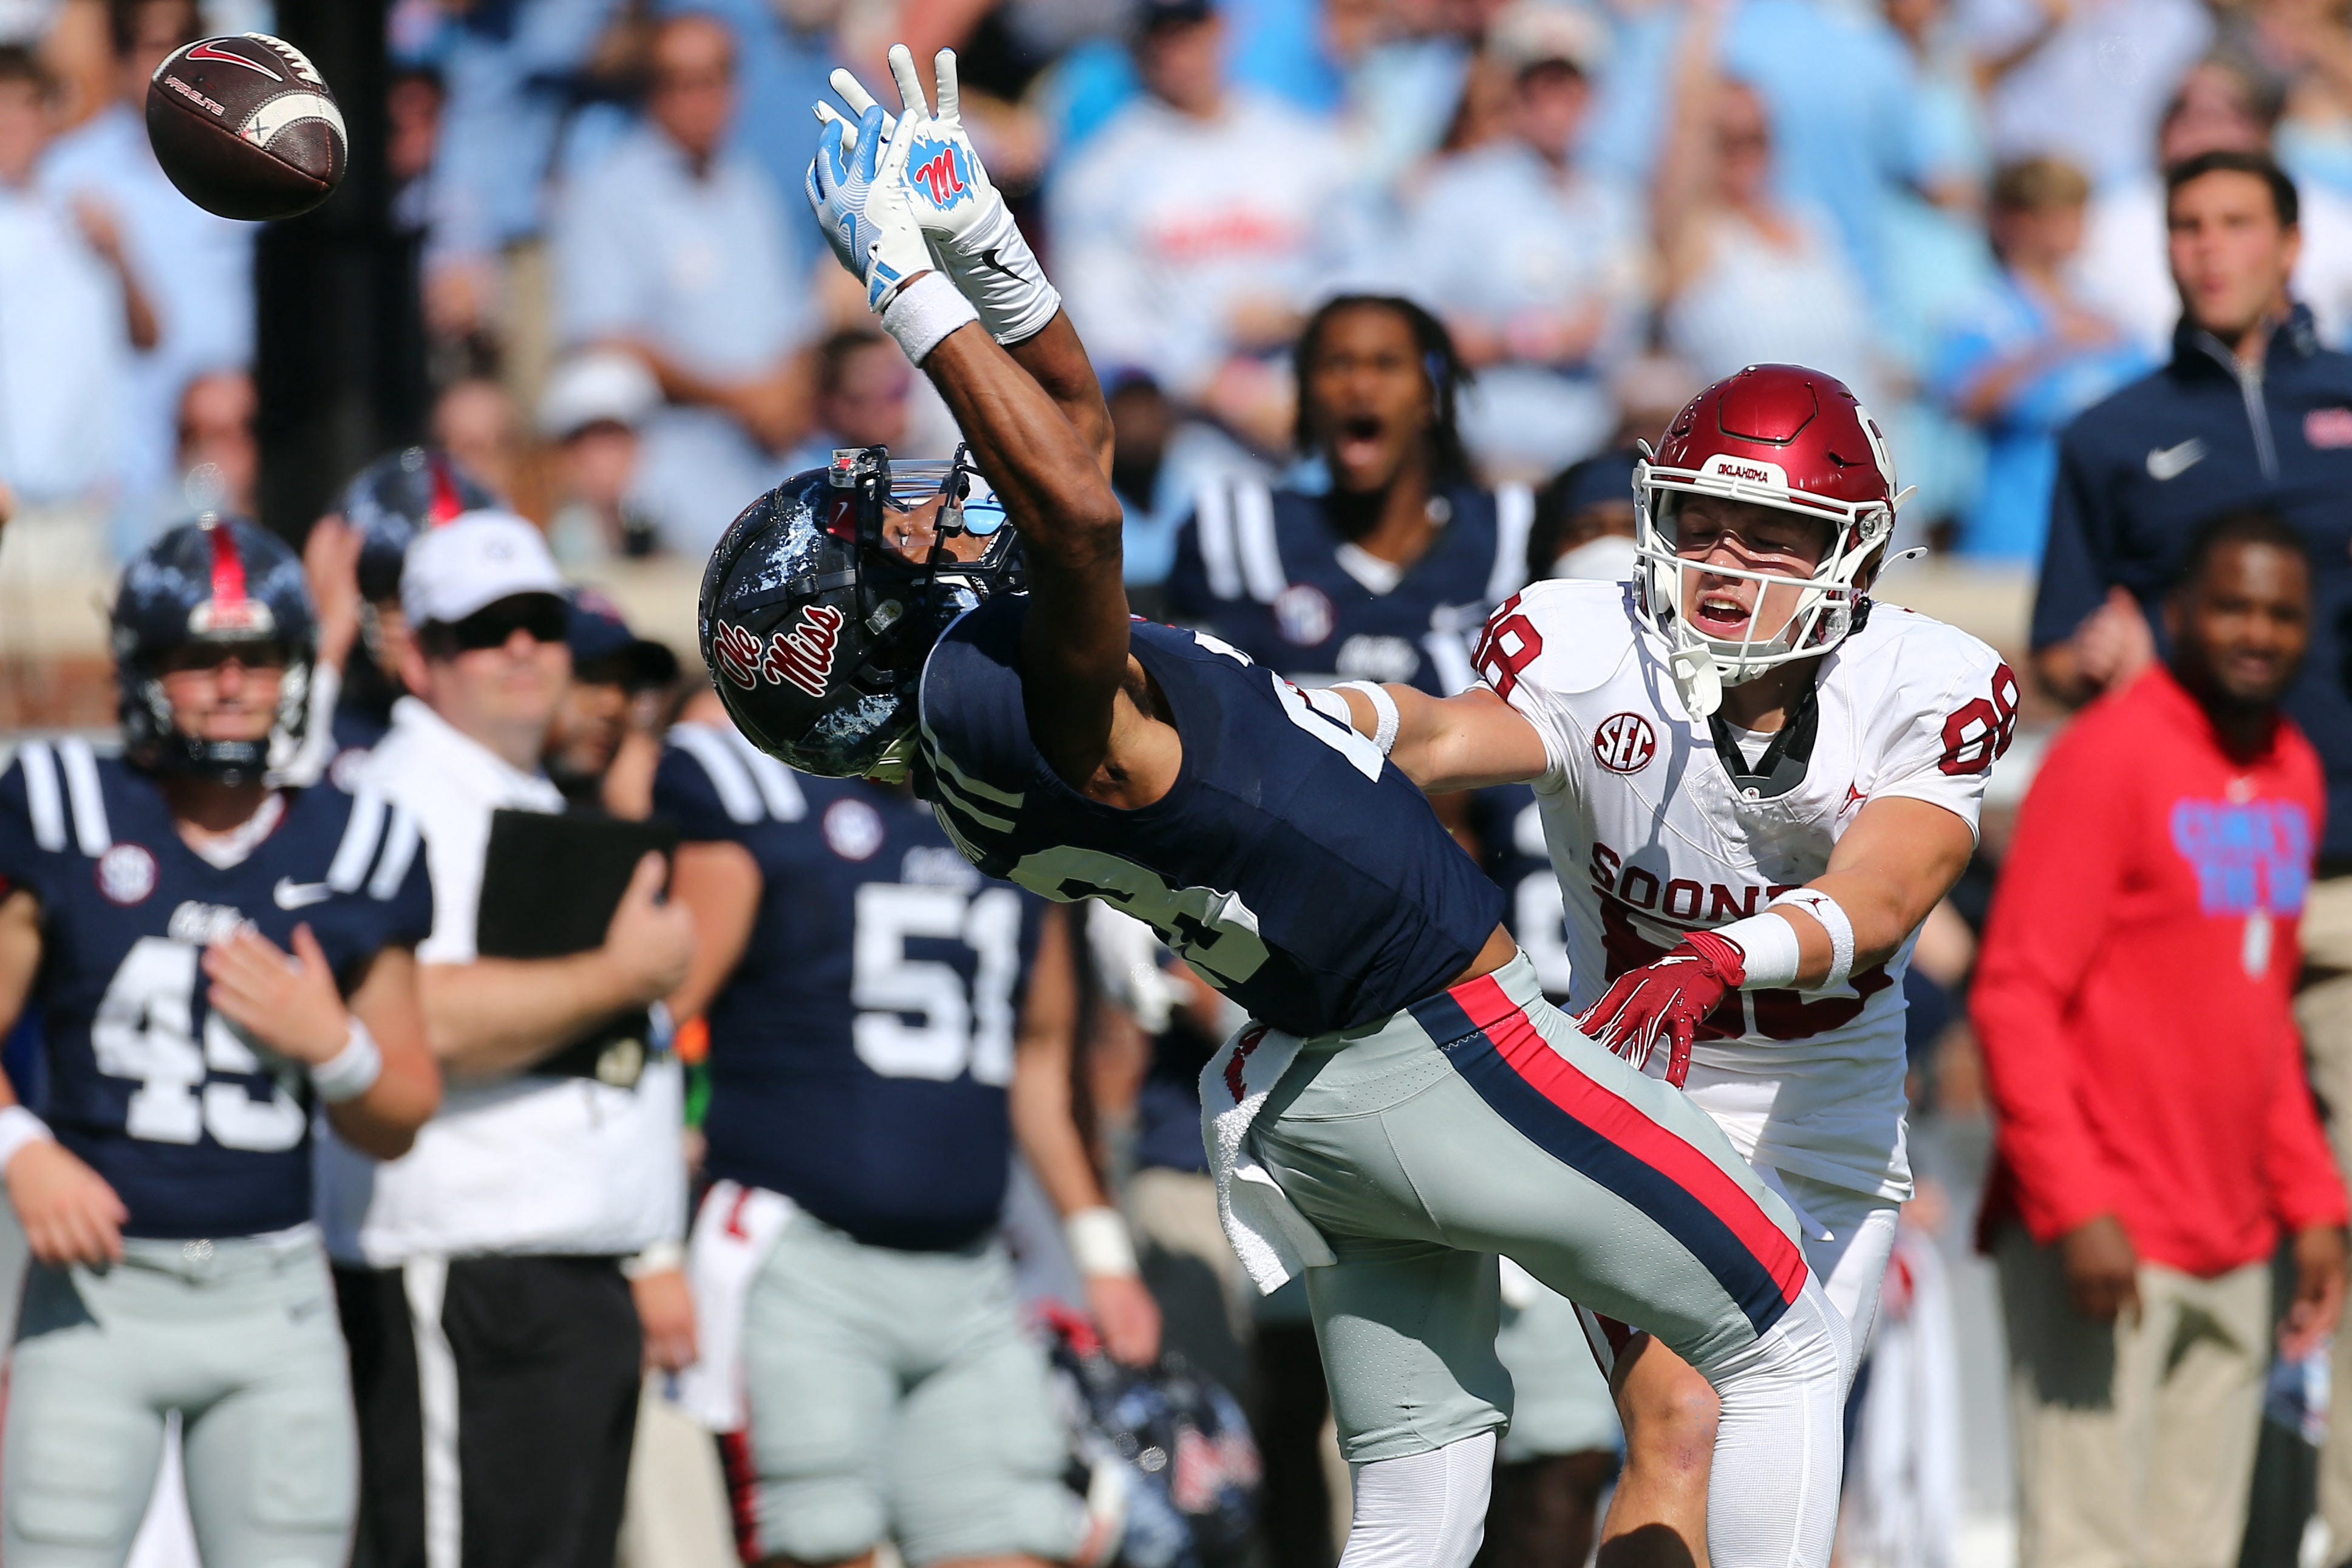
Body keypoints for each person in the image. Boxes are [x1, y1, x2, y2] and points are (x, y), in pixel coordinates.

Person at [720, 48, 1852, 1568]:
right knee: (1781, 1323)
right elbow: (1077, 508)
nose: (933, 518)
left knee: (1417, 1495)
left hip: (1325, 1079)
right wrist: (913, 301)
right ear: (855, 634)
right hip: (1441, 1041)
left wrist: (993, 263)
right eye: (896, 540)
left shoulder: (968, 720)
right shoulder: (993, 696)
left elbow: (1077, 446)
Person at [1309, 363, 2011, 1563]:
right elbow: (1438, 731)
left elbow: (1885, 893)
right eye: (1700, 523)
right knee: (1679, 1423)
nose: (1724, 562)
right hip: (1639, 1097)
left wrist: (1723, 956)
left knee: (1780, 1422)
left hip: (1823, 1126)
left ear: (1848, 551)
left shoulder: (1921, 682)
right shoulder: (1590, 641)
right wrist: (1282, 709)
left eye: (1770, 535)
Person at [0, 517, 440, 1566]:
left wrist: (333, 1046)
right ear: (143, 668)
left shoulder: (360, 838)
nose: (233, 684)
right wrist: (20, 1148)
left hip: (272, 1297)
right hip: (96, 1294)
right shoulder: (65, 806)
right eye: (200, 658)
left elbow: (400, 1115)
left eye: (258, 657)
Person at [656, 687, 1153, 1567]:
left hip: (972, 1268)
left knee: (1012, 1535)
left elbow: (1037, 1063)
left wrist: (1101, 1255)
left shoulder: (1010, 816)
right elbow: (660, 1017)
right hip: (800, 1253)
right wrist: (651, 1248)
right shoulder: (756, 791)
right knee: (824, 1537)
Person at [317, 511, 696, 1568]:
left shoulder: (518, 788)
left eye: (541, 621)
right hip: (467, 1269)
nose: (523, 648)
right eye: (484, 629)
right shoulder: (405, 791)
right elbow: (417, 1022)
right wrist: (620, 975)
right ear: (418, 656)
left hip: (561, 1270)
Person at [1974, 510, 2350, 1567]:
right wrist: (2074, 1203)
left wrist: (2313, 1201)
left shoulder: (2292, 770)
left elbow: (2256, 1011)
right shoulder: (2106, 756)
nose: (2256, 633)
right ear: (2176, 611)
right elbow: (2012, 996)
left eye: (2281, 614)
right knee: (2085, 1548)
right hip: (2103, 1232)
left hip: (2235, 1238)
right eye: (2230, 606)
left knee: (2196, 1550)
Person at [1165, 295, 1531, 695]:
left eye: (1387, 364)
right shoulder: (1239, 530)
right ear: (1305, 395)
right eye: (1337, 365)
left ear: (1430, 395)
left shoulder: (1513, 534)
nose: (1360, 386)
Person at [553, 10, 816, 553]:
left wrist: (790, 387)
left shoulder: (748, 188)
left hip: (774, 467)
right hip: (669, 482)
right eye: (681, 83)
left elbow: (791, 318)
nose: (700, 100)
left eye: (714, 79)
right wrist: (740, 398)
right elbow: (603, 338)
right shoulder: (609, 192)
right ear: (651, 91)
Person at [1048, 0, 1352, 454]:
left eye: (1190, 30)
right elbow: (1102, 325)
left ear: (1221, 29)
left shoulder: (1307, 145)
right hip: (1188, 435)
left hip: (1325, 399)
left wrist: (1298, 316)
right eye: (1161, 35)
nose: (1177, 52)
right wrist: (1223, 389)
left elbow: (1365, 267)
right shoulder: (1100, 172)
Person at [39, 0, 250, 553]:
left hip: (231, 455)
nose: (166, 64)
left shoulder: (248, 163)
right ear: (119, 56)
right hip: (118, 478)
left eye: (183, 44)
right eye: (148, 45)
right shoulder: (70, 174)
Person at [1402, 4, 1640, 480]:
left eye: (1568, 87)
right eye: (1538, 88)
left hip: (1589, 453)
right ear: (1512, 94)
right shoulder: (1459, 191)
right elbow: (1417, 325)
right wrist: (1532, 339)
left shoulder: (1615, 203)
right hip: (1485, 456)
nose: (1553, 105)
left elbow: (1628, 327)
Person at [1929, 157, 2146, 562]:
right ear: (2018, 222)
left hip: (2100, 536)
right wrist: (2052, 347)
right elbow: (1963, 400)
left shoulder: (2101, 308)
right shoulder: (1985, 312)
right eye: (2061, 213)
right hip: (2011, 538)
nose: (2079, 225)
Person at [2074, 56, 2352, 358]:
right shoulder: (2107, 220)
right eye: (2181, 111)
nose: (2199, 130)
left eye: (2218, 114)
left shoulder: (2326, 217)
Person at [0, 44, 126, 576]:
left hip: (81, 505)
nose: (11, 124)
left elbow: (147, 337)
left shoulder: (85, 214)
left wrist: (120, 257)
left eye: (25, 105)